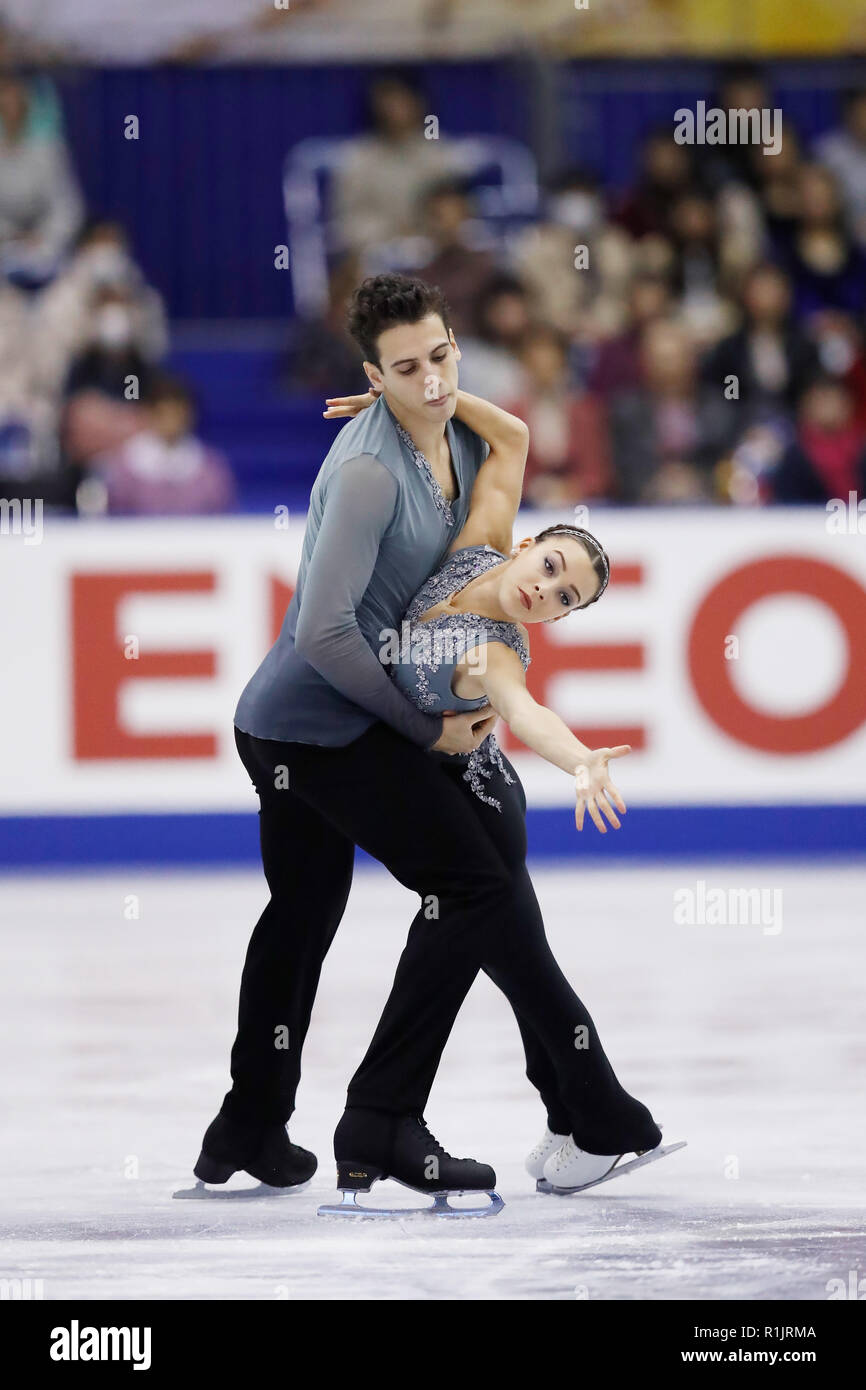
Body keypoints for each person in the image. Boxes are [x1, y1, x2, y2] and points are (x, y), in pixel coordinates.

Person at [193, 273, 660, 1209]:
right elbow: (325, 634)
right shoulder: (368, 473)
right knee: (474, 886)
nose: (434, 380)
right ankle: (397, 1120)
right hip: (316, 724)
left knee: (308, 912)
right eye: (405, 369)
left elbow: (513, 437)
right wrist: (429, 730)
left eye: (441, 357)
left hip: (338, 716)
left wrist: (420, 393)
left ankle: (248, 1127)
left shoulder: (451, 430)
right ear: (372, 371)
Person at [321, 379, 666, 1198]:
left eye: (565, 597)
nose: (546, 589)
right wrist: (416, 393)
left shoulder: (498, 651)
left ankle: (614, 1126)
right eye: (551, 566)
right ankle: (575, 1116)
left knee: (530, 974)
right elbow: (510, 437)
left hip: (479, 806)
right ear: (527, 547)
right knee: (522, 971)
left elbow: (526, 712)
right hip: (460, 798)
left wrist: (579, 757)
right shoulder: (477, 546)